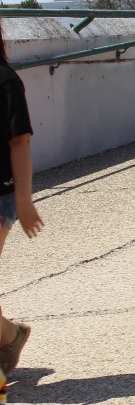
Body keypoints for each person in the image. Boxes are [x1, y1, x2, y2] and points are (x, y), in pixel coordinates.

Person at [0, 25, 44, 376]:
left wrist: (23, 200)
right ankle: (10, 335)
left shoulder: (6, 81)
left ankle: (11, 336)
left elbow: (21, 142)